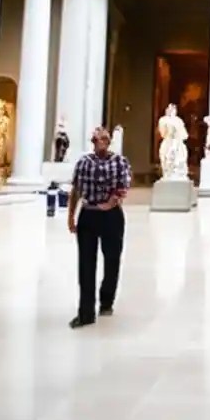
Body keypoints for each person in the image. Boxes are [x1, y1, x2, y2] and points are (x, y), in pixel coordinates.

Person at [68, 126, 132, 329]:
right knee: (86, 263)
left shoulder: (119, 162)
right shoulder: (84, 163)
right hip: (89, 213)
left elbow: (123, 187)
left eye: (105, 138)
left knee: (112, 259)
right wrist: (71, 215)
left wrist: (111, 203)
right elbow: (76, 189)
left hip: (111, 215)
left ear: (110, 141)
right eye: (97, 139)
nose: (101, 142)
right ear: (93, 141)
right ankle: (86, 311)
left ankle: (106, 301)